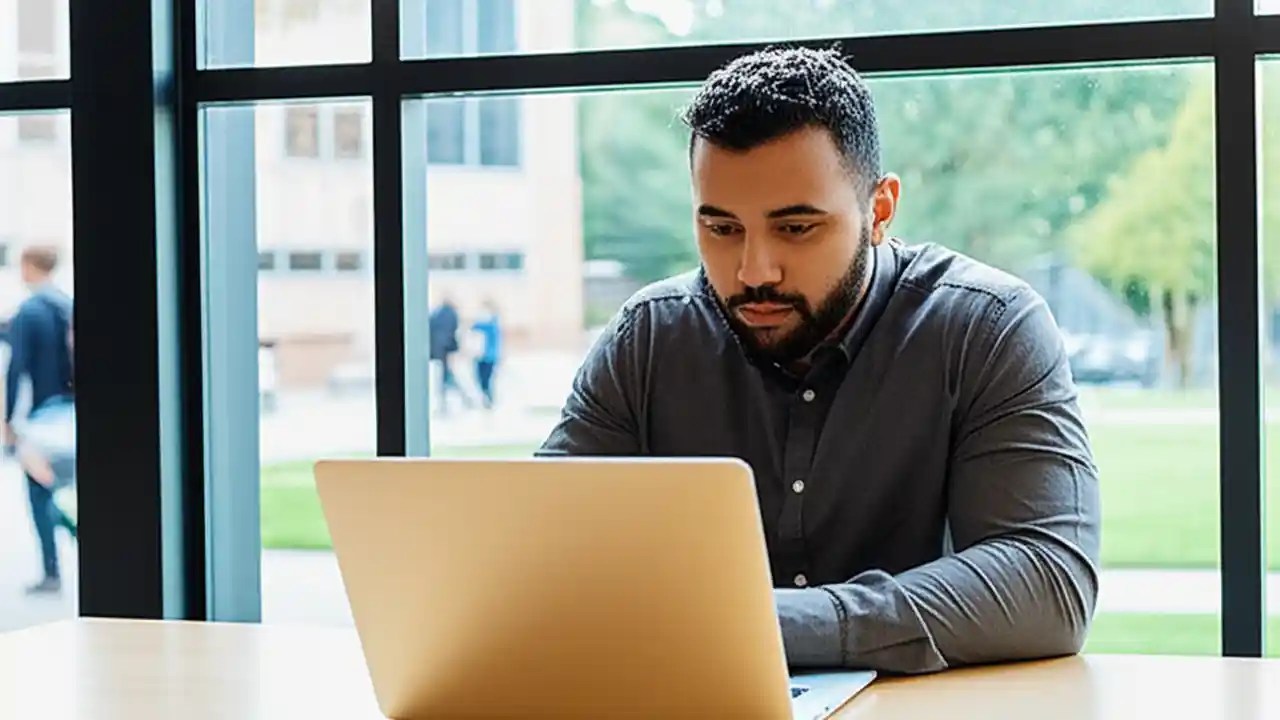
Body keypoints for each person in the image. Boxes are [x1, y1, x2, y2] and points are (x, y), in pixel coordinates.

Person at [541, 47, 1100, 674]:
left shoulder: (988, 326)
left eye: (796, 228)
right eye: (722, 229)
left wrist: (762, 626)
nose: (754, 271)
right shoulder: (649, 338)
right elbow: (535, 552)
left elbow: (1048, 582)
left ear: (879, 211)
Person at [3, 245, 76, 595]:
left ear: (30, 266)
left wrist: (7, 419)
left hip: (45, 416)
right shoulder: (68, 305)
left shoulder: (29, 312)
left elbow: (17, 370)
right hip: (74, 412)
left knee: (39, 489)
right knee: (62, 487)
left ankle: (52, 570)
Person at [429, 296, 471, 415]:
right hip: (446, 350)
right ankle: (462, 399)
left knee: (444, 377)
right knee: (446, 376)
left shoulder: (437, 314)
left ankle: (448, 403)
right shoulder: (451, 314)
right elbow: (454, 331)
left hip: (438, 350)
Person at [470, 300, 502, 409]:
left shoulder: (493, 324)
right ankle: (486, 397)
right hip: (479, 356)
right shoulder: (479, 324)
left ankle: (488, 398)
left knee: (487, 379)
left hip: (489, 356)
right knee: (480, 378)